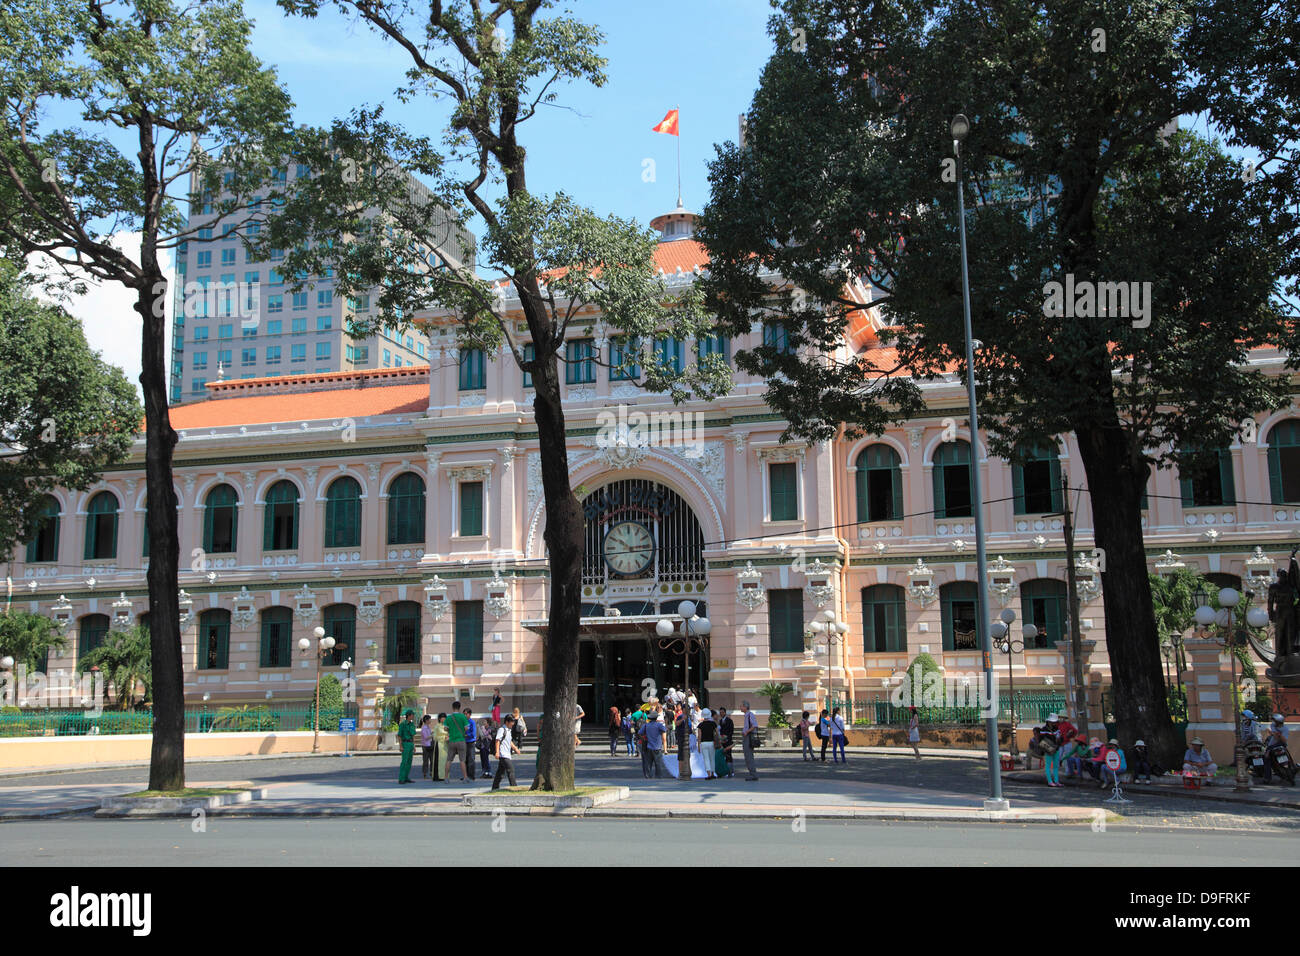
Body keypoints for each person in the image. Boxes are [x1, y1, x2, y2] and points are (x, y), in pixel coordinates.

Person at [492, 714, 522, 790]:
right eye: (512, 722)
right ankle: (514, 787)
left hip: (507, 754)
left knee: (500, 773)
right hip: (503, 754)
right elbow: (497, 740)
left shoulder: (508, 730)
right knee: (510, 770)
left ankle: (495, 787)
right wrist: (497, 752)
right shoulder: (502, 730)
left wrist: (515, 748)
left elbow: (509, 741)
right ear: (507, 722)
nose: (513, 724)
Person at [444, 700, 471, 783]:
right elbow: (467, 728)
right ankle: (465, 777)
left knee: (449, 760)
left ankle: (446, 778)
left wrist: (451, 730)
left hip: (452, 740)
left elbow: (445, 728)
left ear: (452, 708)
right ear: (459, 708)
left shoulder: (448, 717)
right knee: (462, 760)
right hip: (461, 740)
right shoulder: (463, 717)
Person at [641, 709, 668, 778]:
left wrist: (644, 737)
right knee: (658, 764)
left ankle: (648, 776)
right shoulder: (659, 725)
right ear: (656, 717)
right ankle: (658, 777)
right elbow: (664, 733)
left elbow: (640, 733)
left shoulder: (646, 725)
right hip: (657, 747)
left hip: (649, 746)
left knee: (648, 764)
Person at [1039, 713, 1063, 787]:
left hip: (1056, 749)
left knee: (1056, 766)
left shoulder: (1057, 729)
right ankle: (1050, 781)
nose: (1054, 723)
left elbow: (1060, 739)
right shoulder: (1043, 729)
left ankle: (1056, 781)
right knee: (1048, 766)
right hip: (1048, 750)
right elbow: (1041, 740)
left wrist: (1059, 739)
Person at [697, 708, 718, 779]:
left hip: (703, 743)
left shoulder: (700, 725)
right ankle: (712, 773)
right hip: (711, 742)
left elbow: (699, 736)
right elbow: (717, 733)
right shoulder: (713, 724)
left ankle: (708, 774)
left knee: (706, 759)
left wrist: (698, 746)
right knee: (712, 758)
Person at [741, 699, 759, 780]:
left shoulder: (750, 715)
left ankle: (753, 774)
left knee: (749, 756)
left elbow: (754, 725)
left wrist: (746, 732)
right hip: (746, 736)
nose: (740, 707)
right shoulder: (746, 715)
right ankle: (752, 773)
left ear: (745, 707)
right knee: (747, 756)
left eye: (741, 706)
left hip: (748, 737)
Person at [397, 709, 416, 784]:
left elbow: (413, 736)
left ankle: (406, 777)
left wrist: (414, 746)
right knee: (404, 761)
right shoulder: (402, 724)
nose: (413, 716)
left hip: (410, 743)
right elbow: (399, 736)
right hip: (405, 743)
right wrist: (400, 746)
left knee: (409, 761)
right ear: (408, 715)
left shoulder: (412, 724)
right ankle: (401, 778)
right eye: (412, 715)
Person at [718, 707, 735, 777]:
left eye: (722, 712)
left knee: (728, 755)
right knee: (723, 756)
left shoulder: (729, 721)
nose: (721, 714)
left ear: (725, 713)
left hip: (728, 740)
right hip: (722, 741)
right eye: (720, 712)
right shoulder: (720, 721)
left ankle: (731, 771)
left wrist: (727, 737)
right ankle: (725, 771)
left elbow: (731, 731)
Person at [432, 712, 449, 781]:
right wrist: (443, 738)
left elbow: (450, 733)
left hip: (445, 745)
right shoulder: (437, 726)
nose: (443, 719)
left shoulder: (447, 727)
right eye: (442, 718)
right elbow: (435, 737)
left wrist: (448, 737)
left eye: (444, 718)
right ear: (439, 719)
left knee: (445, 761)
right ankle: (437, 776)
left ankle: (444, 775)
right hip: (439, 745)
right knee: (438, 761)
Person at [464, 707, 479, 779]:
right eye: (463, 714)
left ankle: (471, 775)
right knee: (465, 759)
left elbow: (473, 733)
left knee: (471, 759)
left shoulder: (472, 722)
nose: (464, 715)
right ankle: (466, 775)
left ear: (469, 714)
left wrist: (466, 735)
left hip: (471, 742)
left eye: (466, 714)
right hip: (464, 742)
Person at [420, 714, 435, 779]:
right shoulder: (424, 728)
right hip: (426, 746)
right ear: (426, 720)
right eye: (429, 719)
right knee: (426, 760)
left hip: (430, 745)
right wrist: (433, 735)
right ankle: (425, 773)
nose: (430, 721)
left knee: (432, 759)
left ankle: (431, 772)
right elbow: (426, 737)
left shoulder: (428, 727)